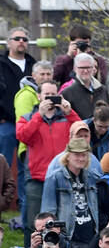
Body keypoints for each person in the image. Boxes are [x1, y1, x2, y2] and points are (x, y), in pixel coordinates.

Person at [16, 81, 76, 236]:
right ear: (38, 96)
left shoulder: (66, 116)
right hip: (37, 178)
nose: (50, 98)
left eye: (53, 94)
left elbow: (82, 134)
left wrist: (70, 113)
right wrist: (39, 116)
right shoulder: (28, 117)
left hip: (62, 176)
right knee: (33, 224)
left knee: (61, 223)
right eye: (46, 95)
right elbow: (22, 136)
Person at [41, 131, 108, 248]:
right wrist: (52, 242)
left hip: (90, 238)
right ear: (68, 155)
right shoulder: (54, 178)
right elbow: (48, 214)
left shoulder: (93, 178)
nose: (80, 158)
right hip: (68, 238)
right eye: (76, 154)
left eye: (84, 154)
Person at [1, 27, 36, 180]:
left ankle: (24, 204)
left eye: (25, 39)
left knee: (26, 167)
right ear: (9, 43)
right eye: (17, 39)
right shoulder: (1, 64)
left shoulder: (33, 65)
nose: (21, 41)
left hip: (29, 124)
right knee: (3, 166)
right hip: (6, 123)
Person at [60, 52, 109, 124]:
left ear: (93, 68)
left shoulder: (103, 90)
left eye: (88, 67)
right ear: (75, 69)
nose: (85, 70)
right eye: (82, 68)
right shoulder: (67, 93)